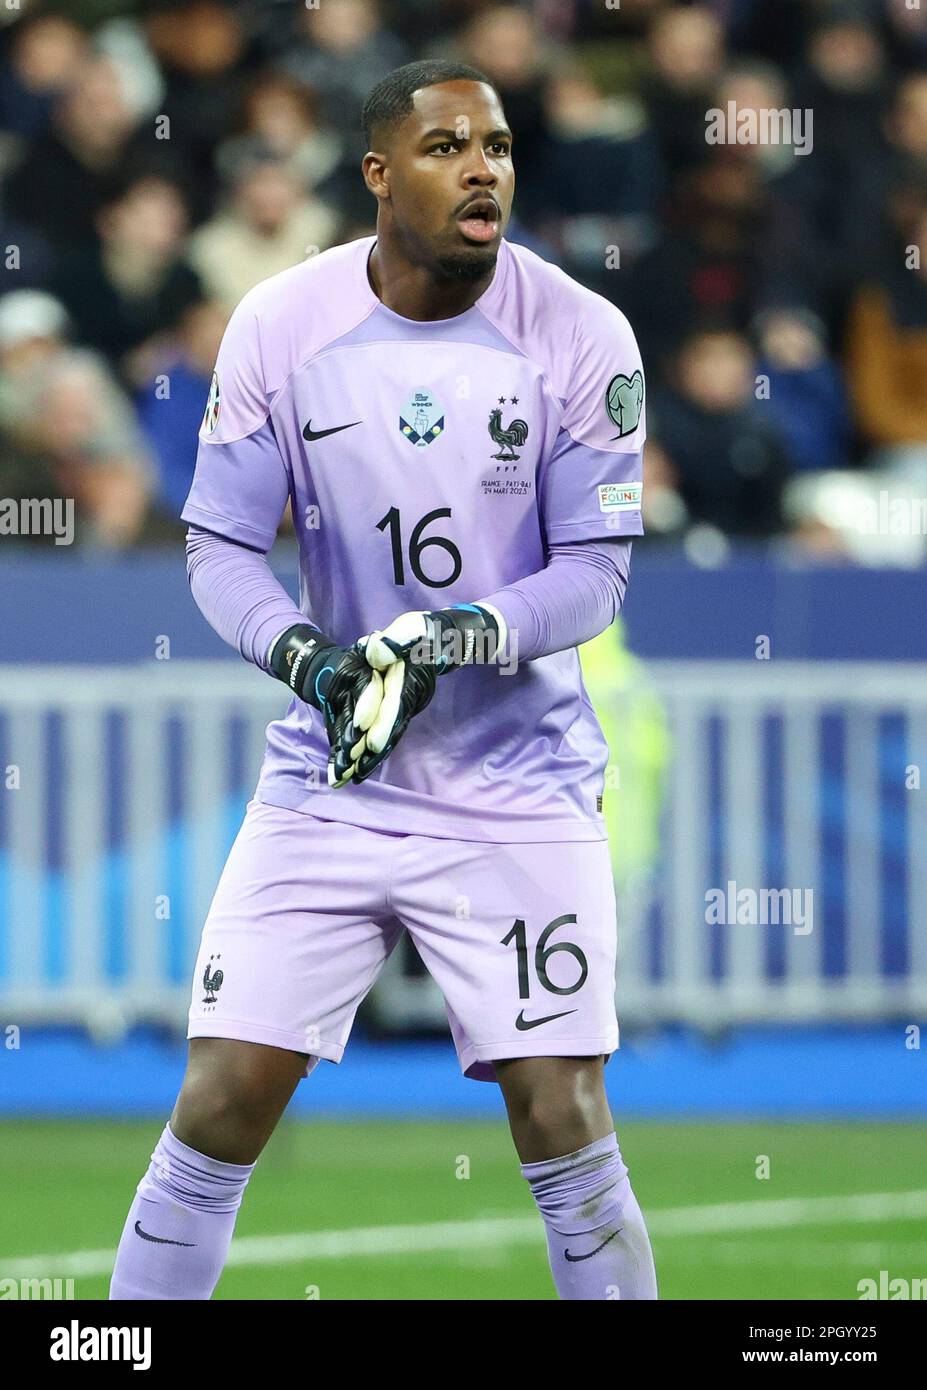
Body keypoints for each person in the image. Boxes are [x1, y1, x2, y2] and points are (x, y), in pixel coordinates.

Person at [109, 59, 657, 1303]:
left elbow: (594, 578)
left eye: (502, 147)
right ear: (377, 174)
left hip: (515, 783)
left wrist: (441, 637)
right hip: (335, 780)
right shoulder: (280, 325)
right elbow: (219, 545)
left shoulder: (583, 332)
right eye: (448, 146)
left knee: (561, 1108)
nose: (484, 169)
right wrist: (308, 657)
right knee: (224, 1091)